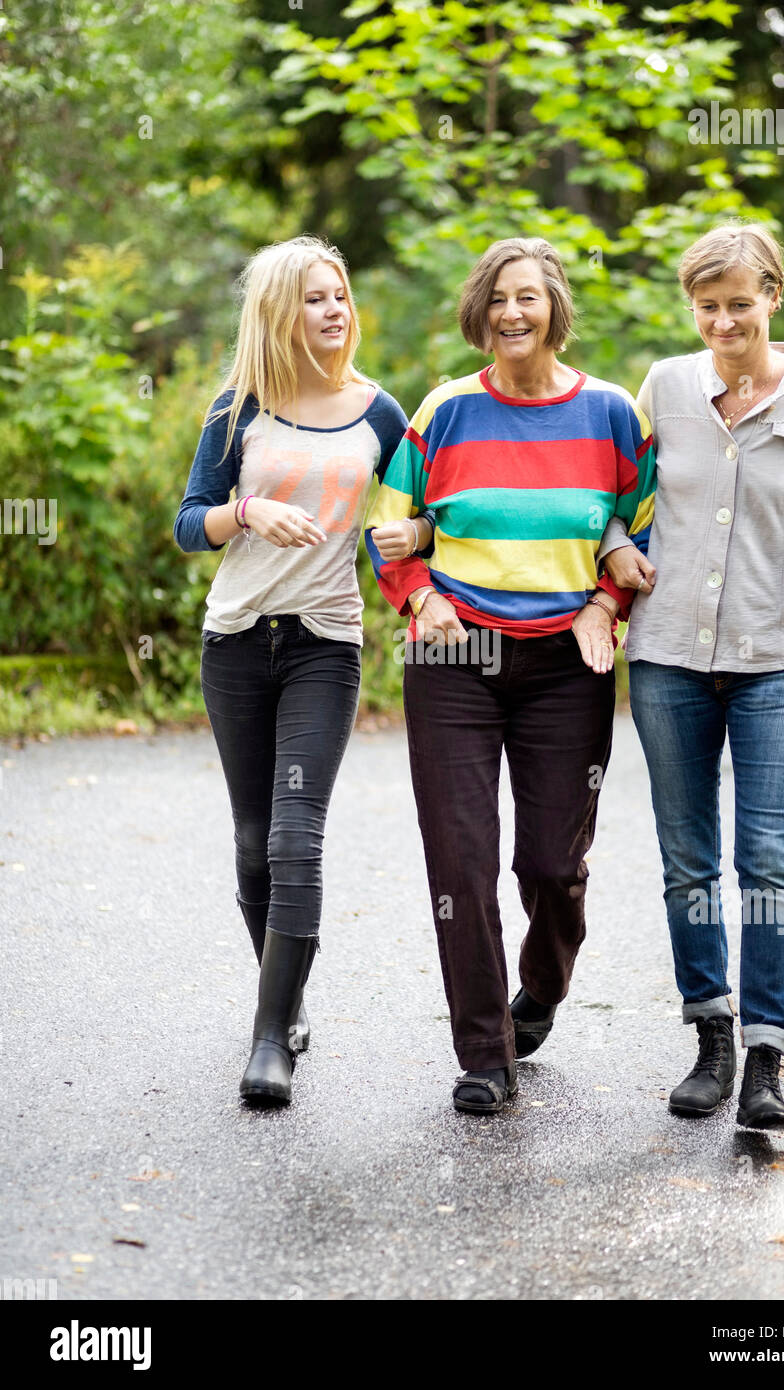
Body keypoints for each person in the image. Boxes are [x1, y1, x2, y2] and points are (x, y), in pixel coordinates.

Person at [365, 236, 655, 1115]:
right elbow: (389, 525)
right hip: (455, 654)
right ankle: (485, 1054)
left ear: (555, 307)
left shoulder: (611, 415)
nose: (512, 313)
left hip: (568, 660)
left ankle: (543, 987)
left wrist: (608, 601)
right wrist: (421, 598)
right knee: (460, 859)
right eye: (497, 299)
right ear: (479, 312)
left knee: (552, 864)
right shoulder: (445, 411)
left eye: (527, 297)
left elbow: (642, 532)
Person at [600, 223, 784, 1129]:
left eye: (740, 304)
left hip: (777, 662)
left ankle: (765, 1054)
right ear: (693, 308)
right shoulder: (666, 388)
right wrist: (614, 552)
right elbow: (624, 503)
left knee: (767, 860)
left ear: (772, 298)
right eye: (708, 307)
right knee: (687, 861)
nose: (724, 321)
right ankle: (709, 1037)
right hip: (669, 654)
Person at [173, 235, 408, 1106]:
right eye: (315, 297)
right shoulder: (238, 407)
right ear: (280, 310)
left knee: (294, 831)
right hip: (236, 640)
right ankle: (290, 995)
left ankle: (270, 1039)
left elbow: (411, 520)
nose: (335, 309)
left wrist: (412, 560)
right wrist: (247, 511)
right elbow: (189, 523)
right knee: (248, 841)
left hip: (325, 642)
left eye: (340, 293)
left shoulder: (382, 413)